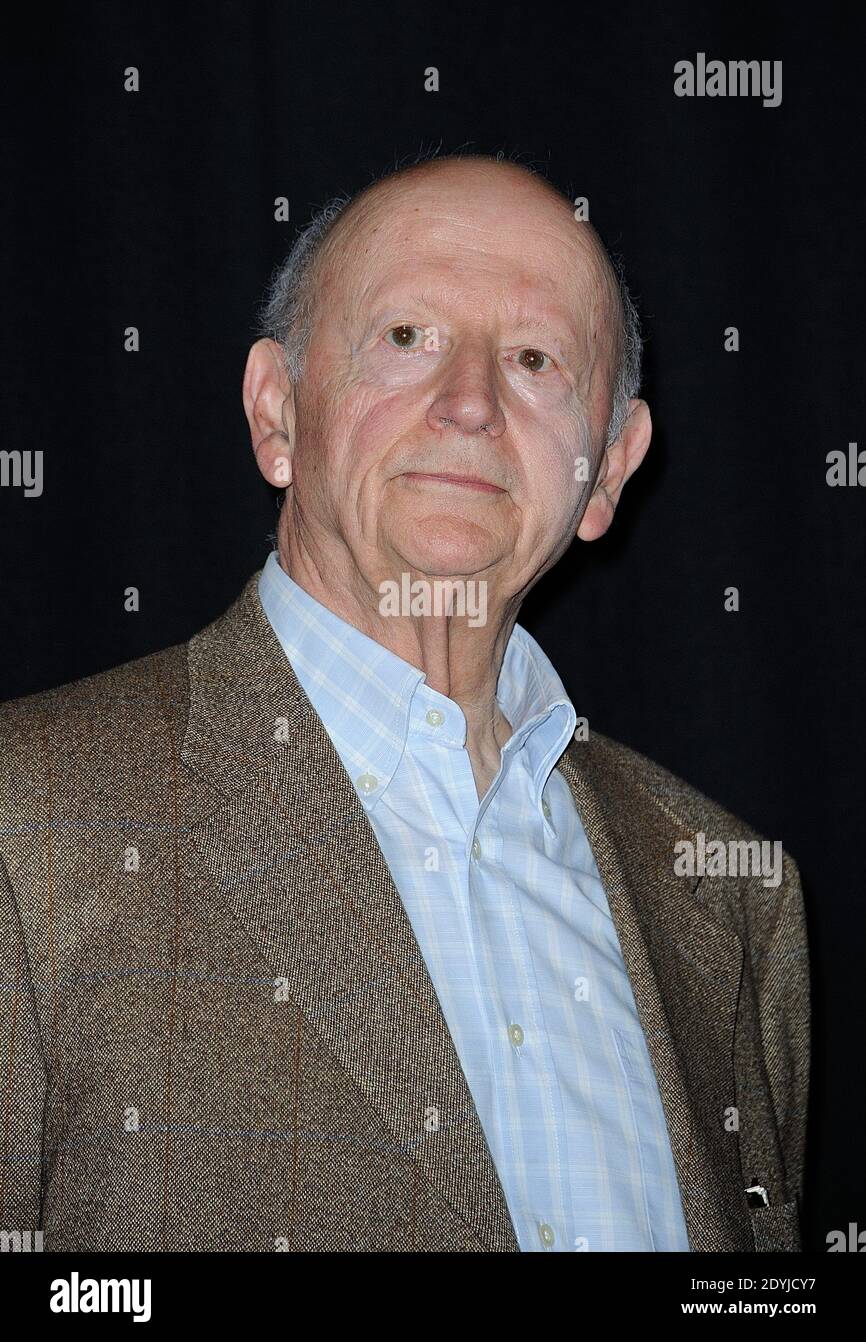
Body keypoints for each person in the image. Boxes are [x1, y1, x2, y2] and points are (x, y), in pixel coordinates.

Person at [0, 153, 809, 1252]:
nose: (469, 401)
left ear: (607, 470)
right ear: (276, 413)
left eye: (533, 359)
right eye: (404, 338)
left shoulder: (727, 898)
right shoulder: (28, 822)